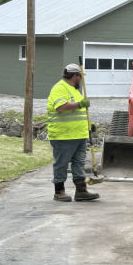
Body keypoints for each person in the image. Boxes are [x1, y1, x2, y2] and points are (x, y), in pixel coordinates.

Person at [47, 63, 99, 202]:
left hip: (79, 134)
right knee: (61, 163)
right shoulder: (59, 88)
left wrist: (90, 123)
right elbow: (61, 107)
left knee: (79, 163)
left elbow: (80, 112)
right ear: (75, 76)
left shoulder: (75, 90)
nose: (82, 79)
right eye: (81, 76)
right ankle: (59, 192)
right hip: (64, 135)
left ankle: (81, 191)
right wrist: (80, 104)